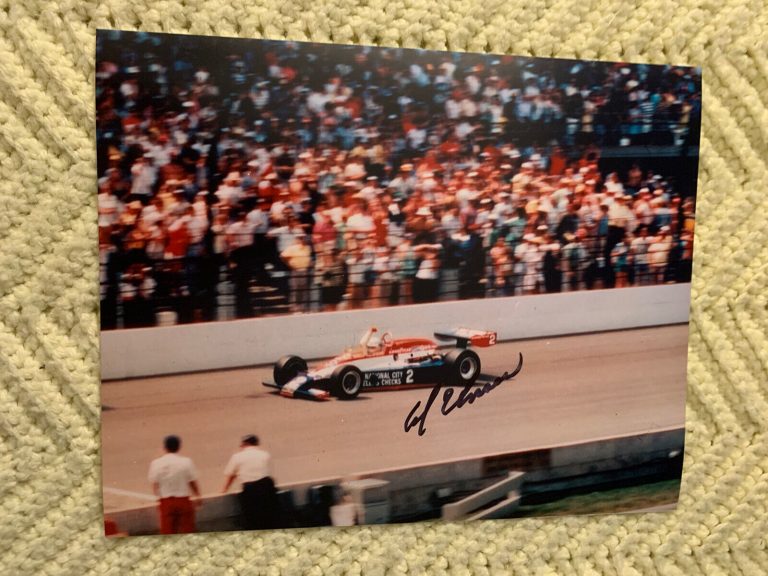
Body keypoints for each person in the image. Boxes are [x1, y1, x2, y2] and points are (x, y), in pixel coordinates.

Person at [222, 434, 279, 530]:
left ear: (244, 444)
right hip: (267, 487)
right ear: (256, 443)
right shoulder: (265, 454)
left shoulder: (237, 456)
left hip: (251, 490)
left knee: (253, 518)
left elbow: (231, 474)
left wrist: (224, 489)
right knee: (270, 517)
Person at [148, 435, 201, 535]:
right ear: (179, 447)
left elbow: (155, 484)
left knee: (167, 532)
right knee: (187, 531)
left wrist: (158, 497)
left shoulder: (156, 463)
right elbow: (192, 481)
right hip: (183, 500)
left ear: (164, 447)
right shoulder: (186, 461)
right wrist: (198, 495)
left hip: (166, 501)